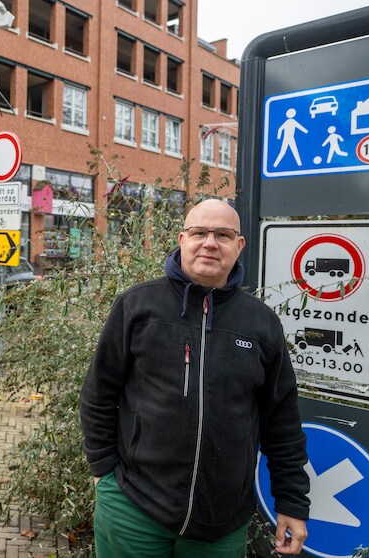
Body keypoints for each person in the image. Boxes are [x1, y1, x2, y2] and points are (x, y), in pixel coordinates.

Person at [80, 199, 310, 557]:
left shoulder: (261, 323)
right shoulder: (138, 306)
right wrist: (103, 473)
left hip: (222, 520)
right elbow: (99, 392)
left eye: (223, 234)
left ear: (239, 245)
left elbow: (281, 419)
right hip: (132, 506)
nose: (210, 243)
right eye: (199, 232)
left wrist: (292, 502)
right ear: (182, 238)